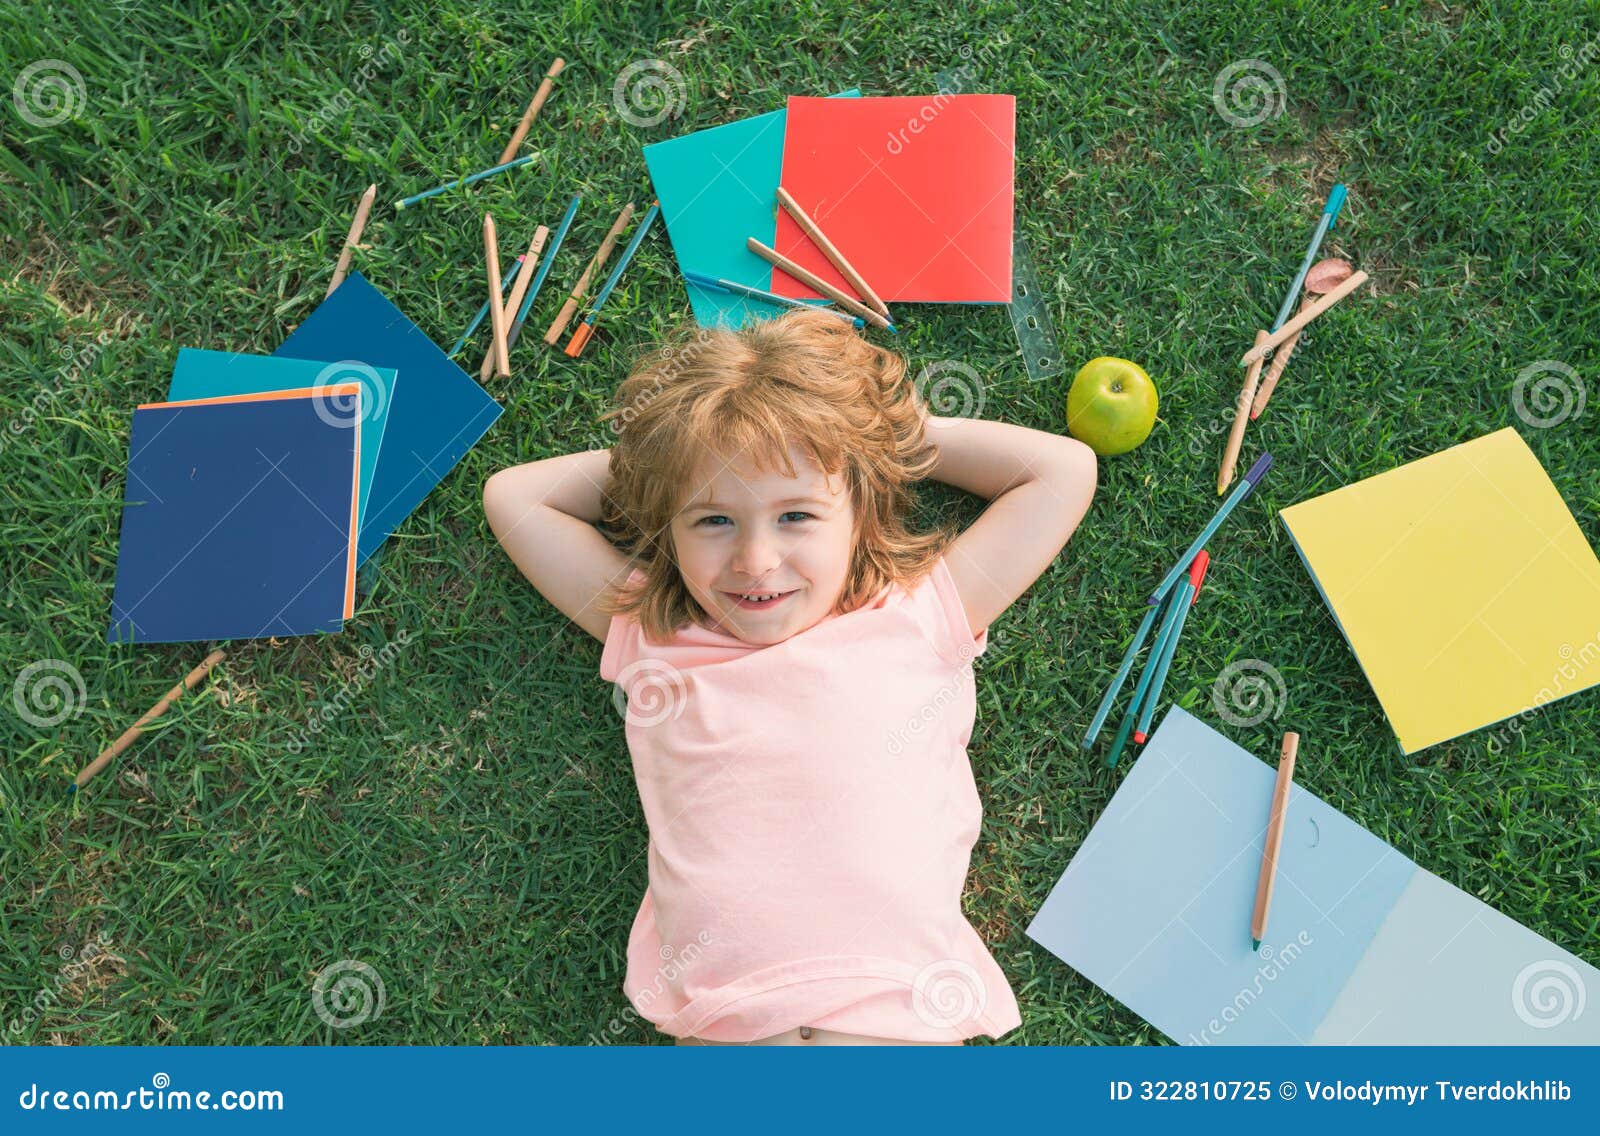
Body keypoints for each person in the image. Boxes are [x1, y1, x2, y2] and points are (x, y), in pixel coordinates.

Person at [483, 309, 1096, 1043]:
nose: (755, 562)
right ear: (670, 531)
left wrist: (869, 433)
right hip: (727, 1028)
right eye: (712, 521)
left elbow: (1060, 473)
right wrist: (673, 451)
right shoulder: (660, 641)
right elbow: (515, 499)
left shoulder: (919, 613)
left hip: (898, 1016)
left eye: (797, 515)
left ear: (861, 509)